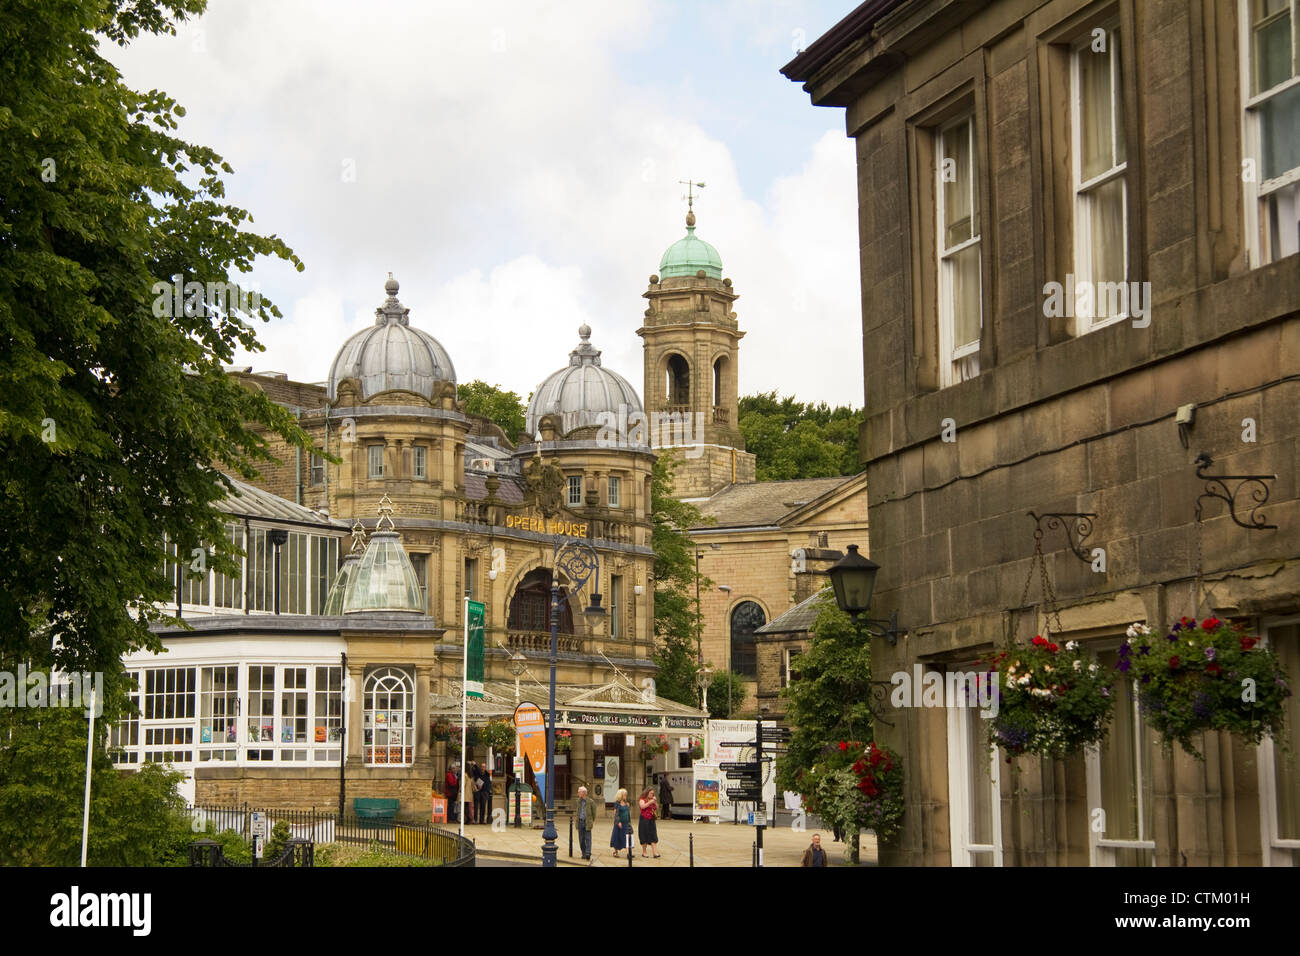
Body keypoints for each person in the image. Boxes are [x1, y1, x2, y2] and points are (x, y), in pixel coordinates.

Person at [575, 785, 597, 861]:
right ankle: (583, 852)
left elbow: (594, 813)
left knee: (588, 838)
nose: (578, 793)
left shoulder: (591, 802)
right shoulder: (578, 801)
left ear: (584, 793)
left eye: (579, 792)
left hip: (587, 822)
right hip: (580, 822)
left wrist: (591, 821)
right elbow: (577, 812)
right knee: (581, 839)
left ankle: (588, 853)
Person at [637, 787, 660, 858]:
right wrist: (650, 802)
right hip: (644, 820)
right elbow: (642, 806)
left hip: (651, 820)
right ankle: (644, 852)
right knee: (644, 835)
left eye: (653, 793)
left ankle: (655, 852)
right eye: (651, 793)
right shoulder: (642, 799)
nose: (652, 795)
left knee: (653, 835)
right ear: (647, 793)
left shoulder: (652, 800)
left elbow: (657, 807)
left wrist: (655, 802)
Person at [610, 788, 632, 857]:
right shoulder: (617, 804)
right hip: (619, 823)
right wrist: (618, 822)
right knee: (616, 837)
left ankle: (628, 853)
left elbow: (628, 814)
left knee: (626, 838)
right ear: (620, 795)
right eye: (624, 795)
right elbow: (616, 814)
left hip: (626, 823)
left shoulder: (626, 803)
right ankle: (616, 852)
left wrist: (629, 822)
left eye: (626, 795)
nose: (625, 796)